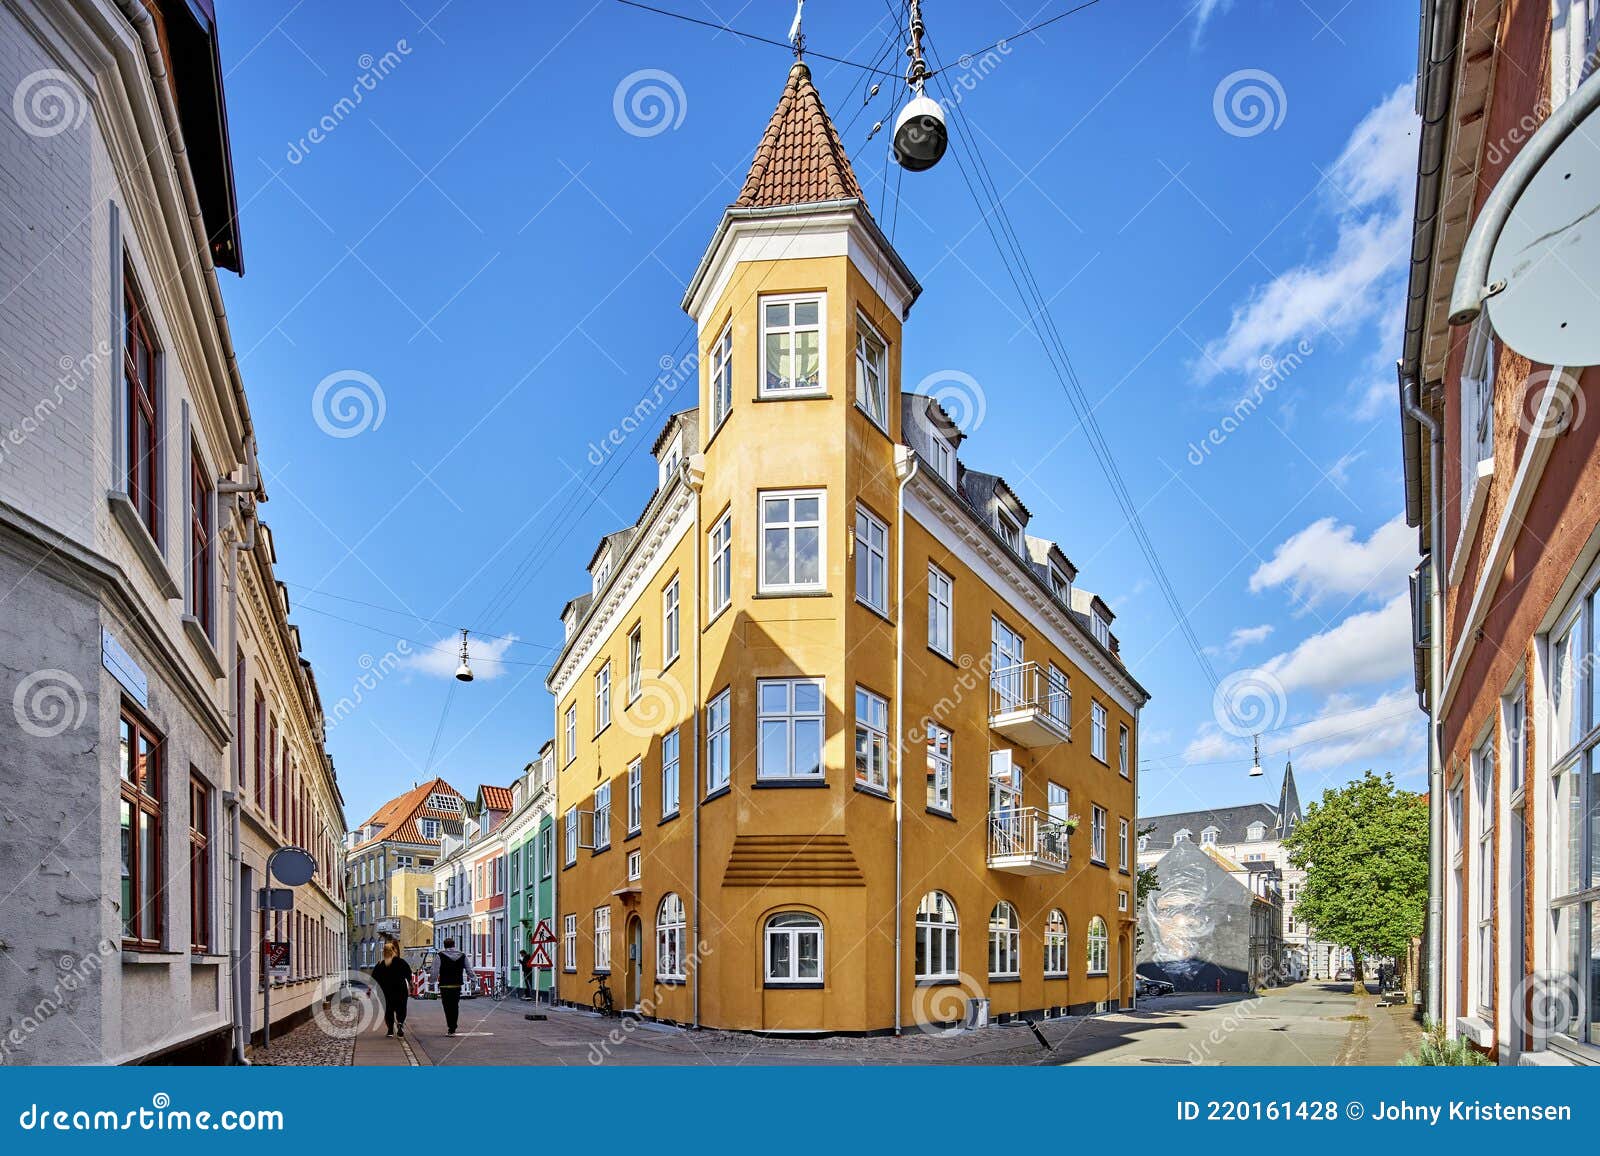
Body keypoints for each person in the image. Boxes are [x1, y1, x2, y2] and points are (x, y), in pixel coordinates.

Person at [371, 941, 413, 1039]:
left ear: (384, 952)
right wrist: (411, 985)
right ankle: (400, 1023)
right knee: (401, 1008)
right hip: (400, 990)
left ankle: (390, 1030)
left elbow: (373, 979)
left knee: (388, 1010)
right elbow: (408, 975)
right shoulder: (401, 962)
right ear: (394, 950)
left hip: (385, 991)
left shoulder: (380, 964)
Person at [431, 937, 468, 1036]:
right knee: (455, 1006)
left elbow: (435, 970)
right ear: (454, 945)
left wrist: (432, 982)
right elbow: (468, 969)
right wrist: (473, 979)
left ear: (444, 945)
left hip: (445, 985)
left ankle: (450, 1027)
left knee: (447, 1007)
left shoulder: (440, 956)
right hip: (457, 985)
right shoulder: (462, 955)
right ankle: (453, 1027)